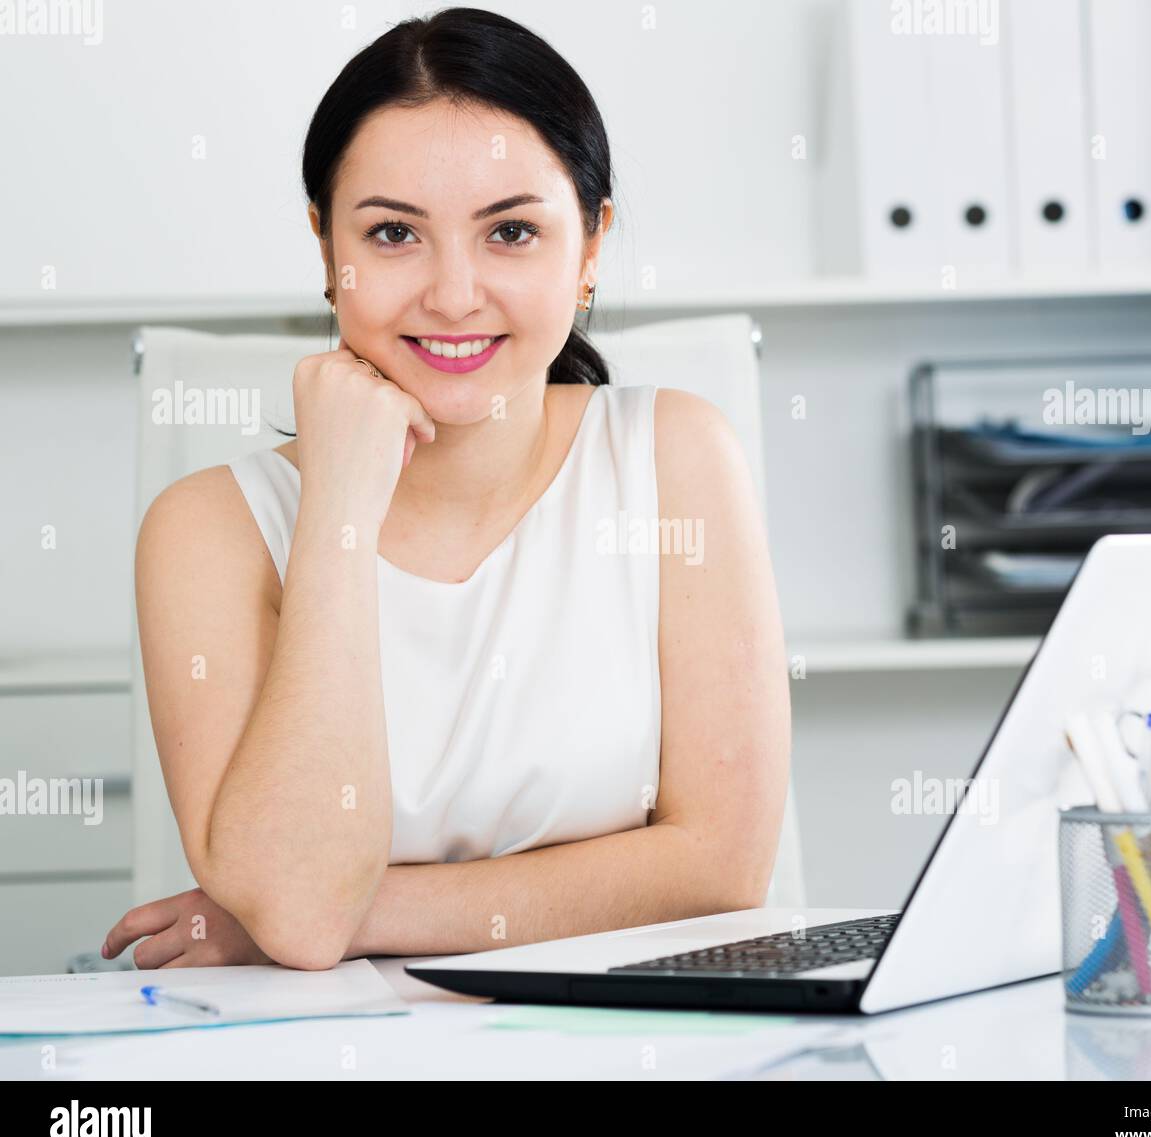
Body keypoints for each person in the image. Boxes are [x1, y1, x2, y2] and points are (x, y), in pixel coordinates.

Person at [103, 7, 790, 971]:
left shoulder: (679, 460)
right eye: (393, 234)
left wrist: (343, 911)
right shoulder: (206, 530)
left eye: (510, 231)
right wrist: (338, 507)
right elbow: (300, 908)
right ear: (325, 247)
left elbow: (721, 868)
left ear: (591, 247)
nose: (455, 294)